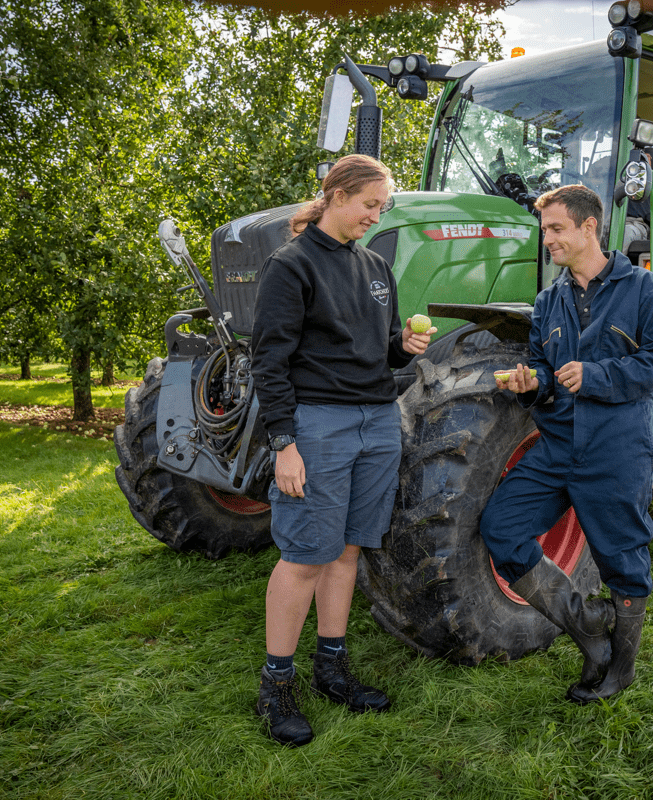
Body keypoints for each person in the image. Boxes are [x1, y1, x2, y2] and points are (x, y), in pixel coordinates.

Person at [250, 154, 435, 747]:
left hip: (377, 422)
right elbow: (269, 362)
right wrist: (284, 443)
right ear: (334, 194)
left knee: (348, 550)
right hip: (318, 425)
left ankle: (332, 666)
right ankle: (276, 683)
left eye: (382, 208)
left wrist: (403, 347)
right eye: (368, 205)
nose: (374, 217)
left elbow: (380, 351)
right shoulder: (291, 266)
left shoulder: (377, 266)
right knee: (305, 554)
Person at [479, 184, 653, 704]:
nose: (547, 239)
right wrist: (534, 383)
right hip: (558, 445)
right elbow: (546, 370)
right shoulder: (549, 301)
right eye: (545, 230)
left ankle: (622, 667)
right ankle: (589, 628)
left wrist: (595, 375)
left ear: (589, 227)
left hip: (616, 446)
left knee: (622, 557)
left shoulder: (643, 290)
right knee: (502, 529)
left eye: (556, 229)